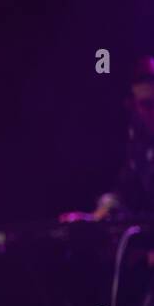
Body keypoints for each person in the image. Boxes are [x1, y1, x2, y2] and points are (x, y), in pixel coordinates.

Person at [60, 55, 154, 224]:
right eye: (146, 105)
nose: (151, 113)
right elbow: (125, 191)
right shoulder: (140, 145)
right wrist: (95, 217)